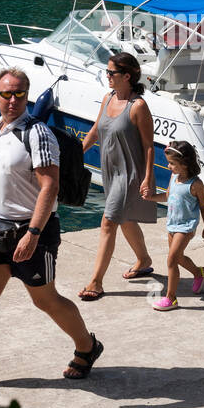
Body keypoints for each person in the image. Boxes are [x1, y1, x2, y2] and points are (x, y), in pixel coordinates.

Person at [0, 67, 102, 391]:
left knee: (45, 300)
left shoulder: (37, 133)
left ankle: (87, 346)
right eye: (6, 94)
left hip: (31, 232)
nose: (12, 100)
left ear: (27, 96)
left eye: (19, 94)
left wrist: (33, 233)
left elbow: (50, 186)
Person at [77, 52, 156, 301]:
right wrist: (75, 154)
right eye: (107, 71)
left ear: (127, 76)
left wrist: (147, 178)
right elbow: (95, 131)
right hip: (110, 171)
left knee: (108, 222)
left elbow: (149, 146)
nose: (107, 76)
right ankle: (143, 260)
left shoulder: (138, 106)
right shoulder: (108, 98)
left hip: (130, 173)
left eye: (111, 73)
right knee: (124, 219)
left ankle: (96, 281)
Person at [148, 140, 204, 311]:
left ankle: (171, 298)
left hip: (186, 226)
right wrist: (151, 198)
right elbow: (168, 196)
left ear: (185, 164)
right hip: (172, 224)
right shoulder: (174, 177)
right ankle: (199, 273)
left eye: (172, 164)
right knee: (179, 258)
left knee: (171, 260)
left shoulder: (195, 184)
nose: (168, 166)